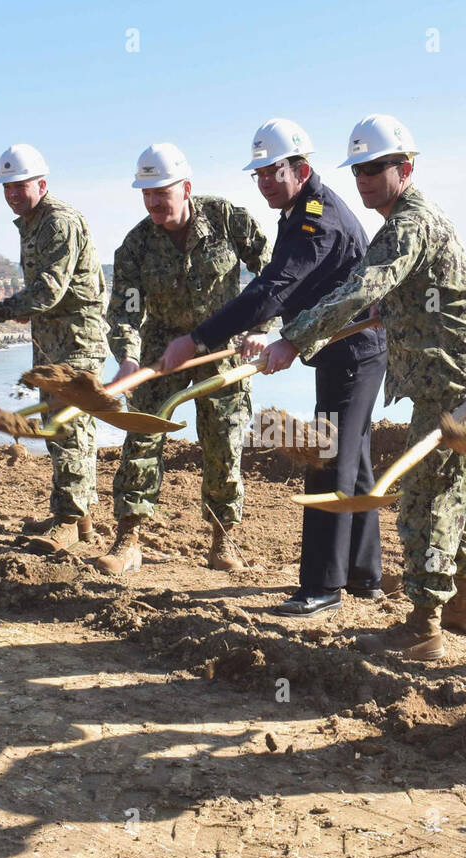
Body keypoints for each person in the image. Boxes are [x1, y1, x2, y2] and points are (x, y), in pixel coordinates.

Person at [259, 115, 466, 660]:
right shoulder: (405, 220)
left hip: (447, 380)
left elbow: (365, 283)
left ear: (404, 168)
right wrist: (385, 311)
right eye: (358, 170)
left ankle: (423, 624)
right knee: (456, 494)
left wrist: (294, 339)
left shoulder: (409, 221)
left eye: (375, 168)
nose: (363, 180)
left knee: (424, 500)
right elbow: (389, 294)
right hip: (448, 373)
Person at [159, 118, 388, 617]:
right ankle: (363, 574)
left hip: (353, 351)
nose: (264, 181)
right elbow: (300, 287)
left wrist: (200, 338)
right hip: (342, 349)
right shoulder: (300, 210)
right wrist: (273, 331)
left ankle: (322, 587)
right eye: (258, 173)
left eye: (272, 171)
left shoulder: (315, 219)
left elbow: (272, 288)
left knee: (327, 458)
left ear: (301, 169)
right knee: (355, 458)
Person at [97, 143, 271, 574]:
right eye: (146, 194)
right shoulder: (136, 245)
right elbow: (125, 310)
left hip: (223, 348)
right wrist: (129, 359)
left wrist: (260, 327)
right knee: (142, 436)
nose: (154, 202)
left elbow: (273, 269)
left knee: (224, 444)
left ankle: (222, 539)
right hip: (164, 349)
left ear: (186, 188)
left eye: (162, 192)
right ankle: (130, 537)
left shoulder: (228, 220)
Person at [0, 143, 108, 553]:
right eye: (6, 185)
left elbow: (47, 291)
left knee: (68, 425)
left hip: (77, 343)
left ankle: (67, 520)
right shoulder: (32, 222)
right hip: (52, 342)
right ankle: (81, 520)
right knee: (62, 428)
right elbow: (47, 293)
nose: (11, 193)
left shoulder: (57, 222)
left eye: (19, 184)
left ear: (41, 184)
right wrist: (28, 309)